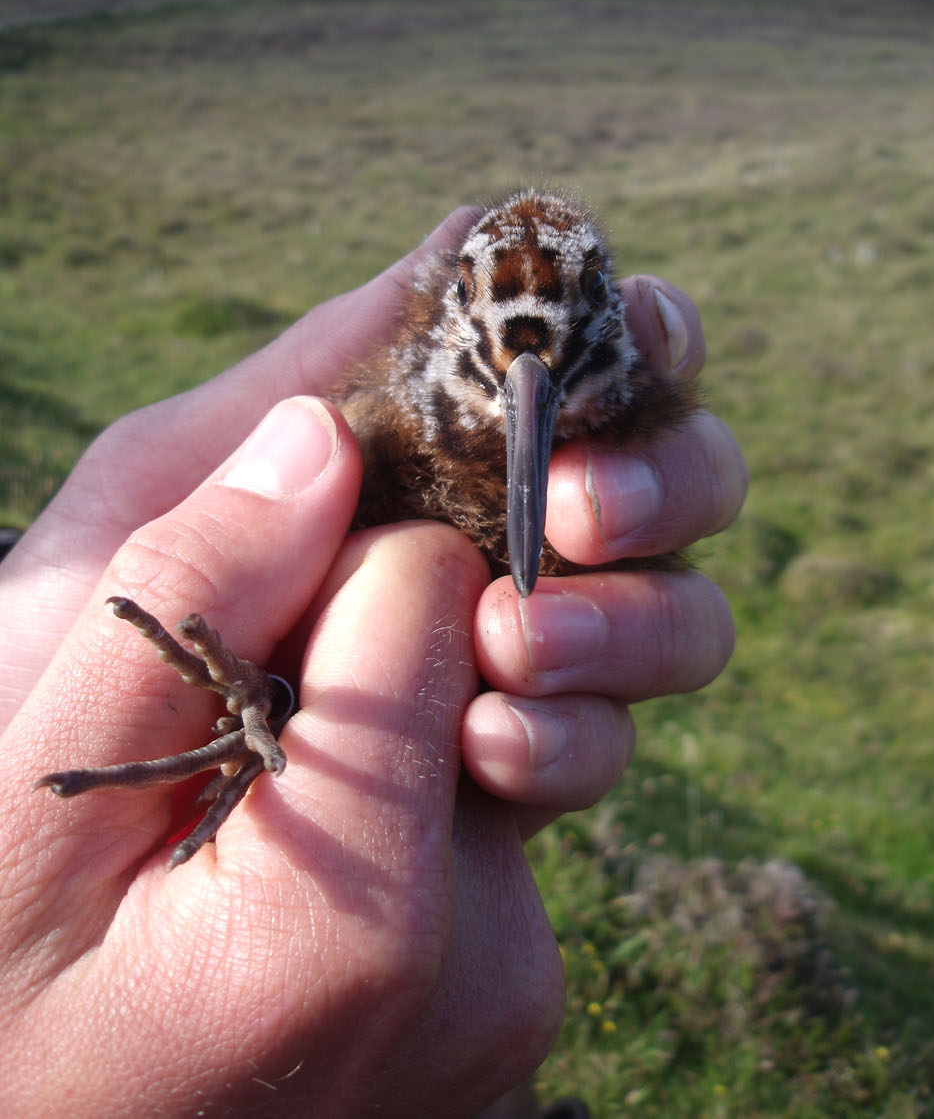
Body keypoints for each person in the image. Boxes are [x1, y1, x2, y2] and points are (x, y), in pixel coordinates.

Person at [0, 207, 747, 1117]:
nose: (527, 397)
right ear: (451, 303)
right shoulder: (375, 412)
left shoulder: (617, 435)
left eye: (583, 307)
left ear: (606, 306)